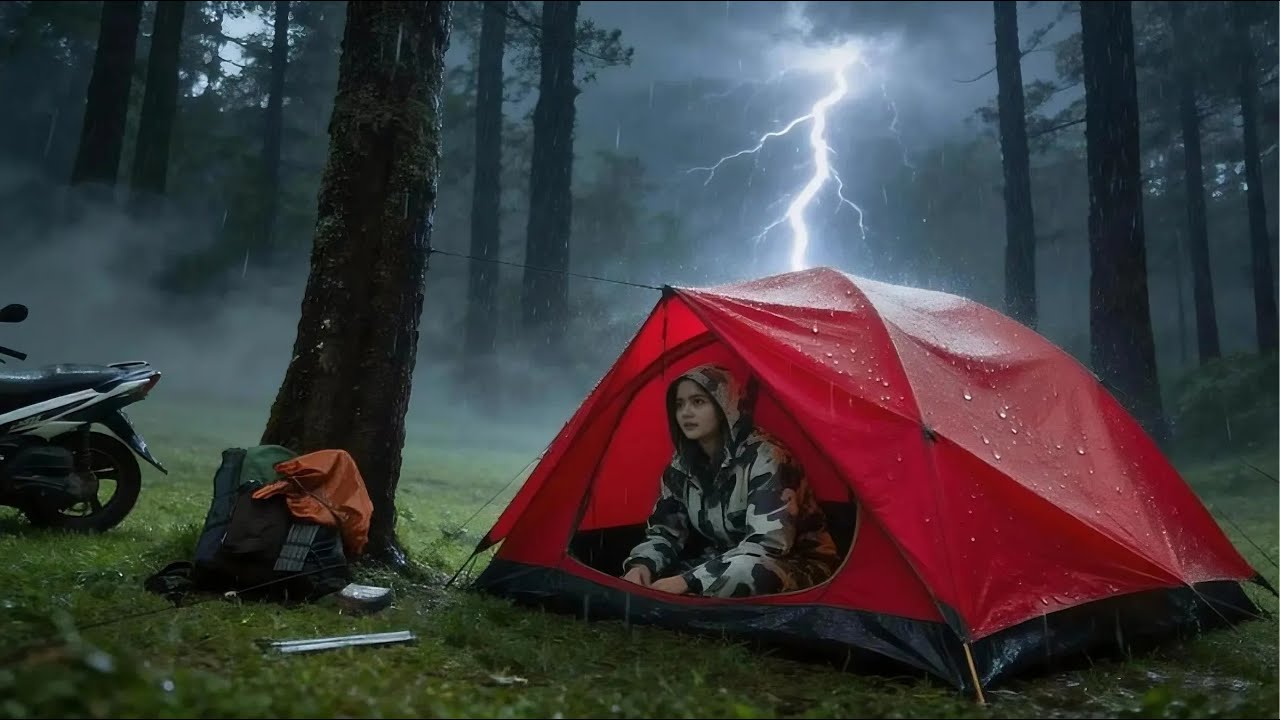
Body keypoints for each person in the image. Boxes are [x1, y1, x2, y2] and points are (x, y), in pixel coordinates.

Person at [621, 363, 840, 598]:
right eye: (679, 404)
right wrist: (641, 566)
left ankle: (695, 591)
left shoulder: (766, 456)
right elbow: (665, 532)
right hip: (722, 557)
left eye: (698, 402)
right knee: (659, 576)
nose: (686, 413)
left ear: (724, 406)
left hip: (791, 563)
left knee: (749, 571)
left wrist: (690, 580)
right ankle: (694, 591)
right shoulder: (680, 467)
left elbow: (769, 544)